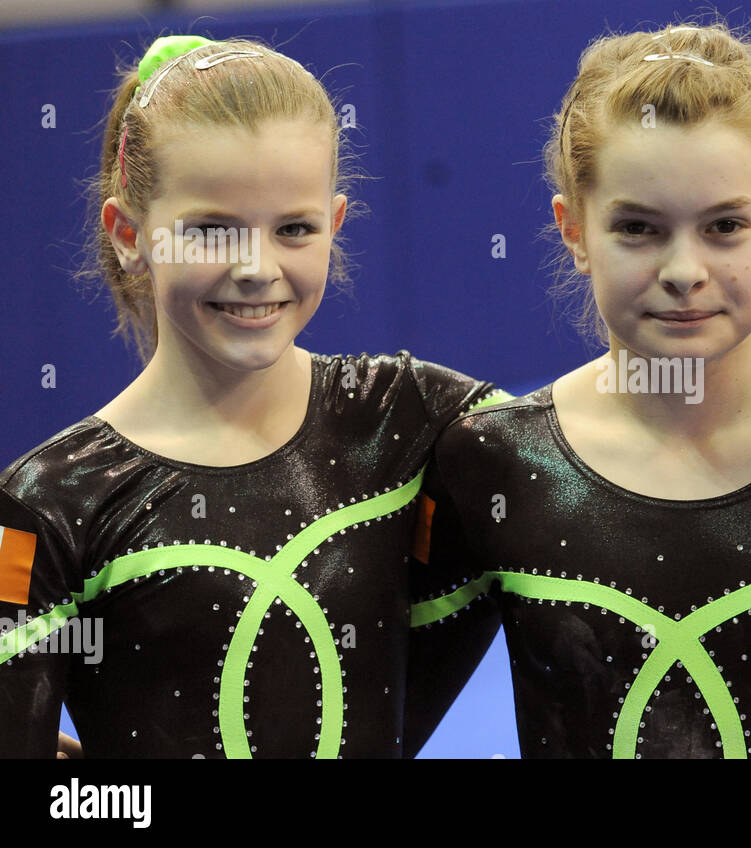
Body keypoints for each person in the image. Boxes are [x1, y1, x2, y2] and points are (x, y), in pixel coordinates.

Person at [432, 21, 751, 758]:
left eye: (724, 226)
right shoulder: (496, 462)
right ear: (574, 230)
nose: (683, 269)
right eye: (640, 229)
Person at [0, 35, 502, 758]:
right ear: (129, 235)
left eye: (293, 229)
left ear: (334, 224)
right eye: (211, 231)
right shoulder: (49, 506)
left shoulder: (412, 421)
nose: (256, 268)